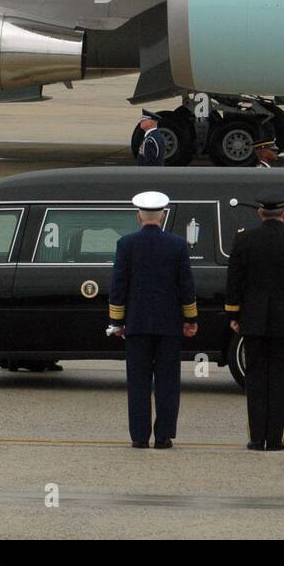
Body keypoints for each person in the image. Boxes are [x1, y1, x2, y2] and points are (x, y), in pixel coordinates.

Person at [225, 191, 284, 451]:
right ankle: (275, 439)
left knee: (254, 380)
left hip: (252, 319)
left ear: (260, 213)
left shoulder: (244, 239)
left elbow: (235, 281)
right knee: (280, 380)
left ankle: (256, 438)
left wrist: (234, 313)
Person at [107, 191, 198, 449]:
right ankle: (164, 435)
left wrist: (117, 321)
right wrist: (190, 318)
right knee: (167, 382)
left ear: (139, 216)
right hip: (169, 326)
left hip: (136, 325)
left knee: (138, 383)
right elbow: (186, 286)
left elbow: (118, 286)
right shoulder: (178, 245)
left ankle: (138, 436)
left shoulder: (126, 244)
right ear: (163, 215)